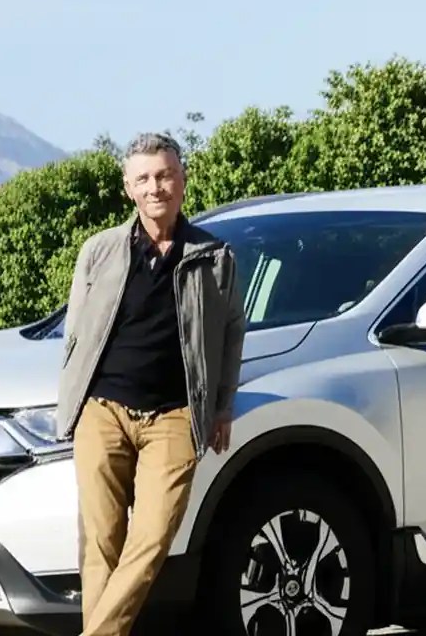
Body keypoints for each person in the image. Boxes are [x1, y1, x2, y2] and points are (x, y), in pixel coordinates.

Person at [53, 132, 246, 636]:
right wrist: (71, 408)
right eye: (144, 179)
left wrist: (222, 406)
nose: (156, 187)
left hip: (175, 415)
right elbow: (76, 335)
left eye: (164, 175)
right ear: (129, 189)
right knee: (99, 542)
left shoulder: (214, 255)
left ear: (182, 181)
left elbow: (230, 334)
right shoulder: (99, 252)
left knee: (153, 538)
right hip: (104, 411)